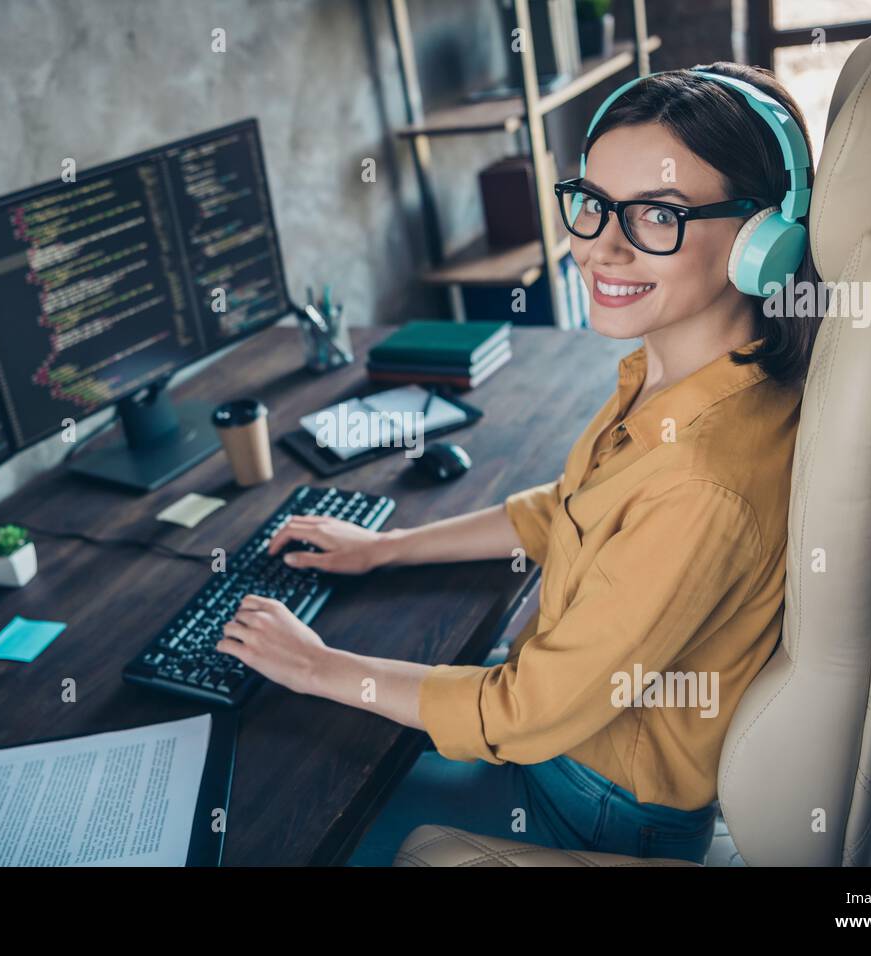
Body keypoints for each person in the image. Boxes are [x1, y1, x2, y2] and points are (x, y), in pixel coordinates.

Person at [216, 62, 825, 866]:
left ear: (764, 241)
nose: (602, 247)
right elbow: (567, 507)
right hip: (570, 748)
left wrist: (318, 665)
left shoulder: (702, 480)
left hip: (599, 806)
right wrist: (384, 548)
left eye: (657, 215)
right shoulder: (685, 377)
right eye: (593, 204)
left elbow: (522, 714)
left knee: (271, 826)